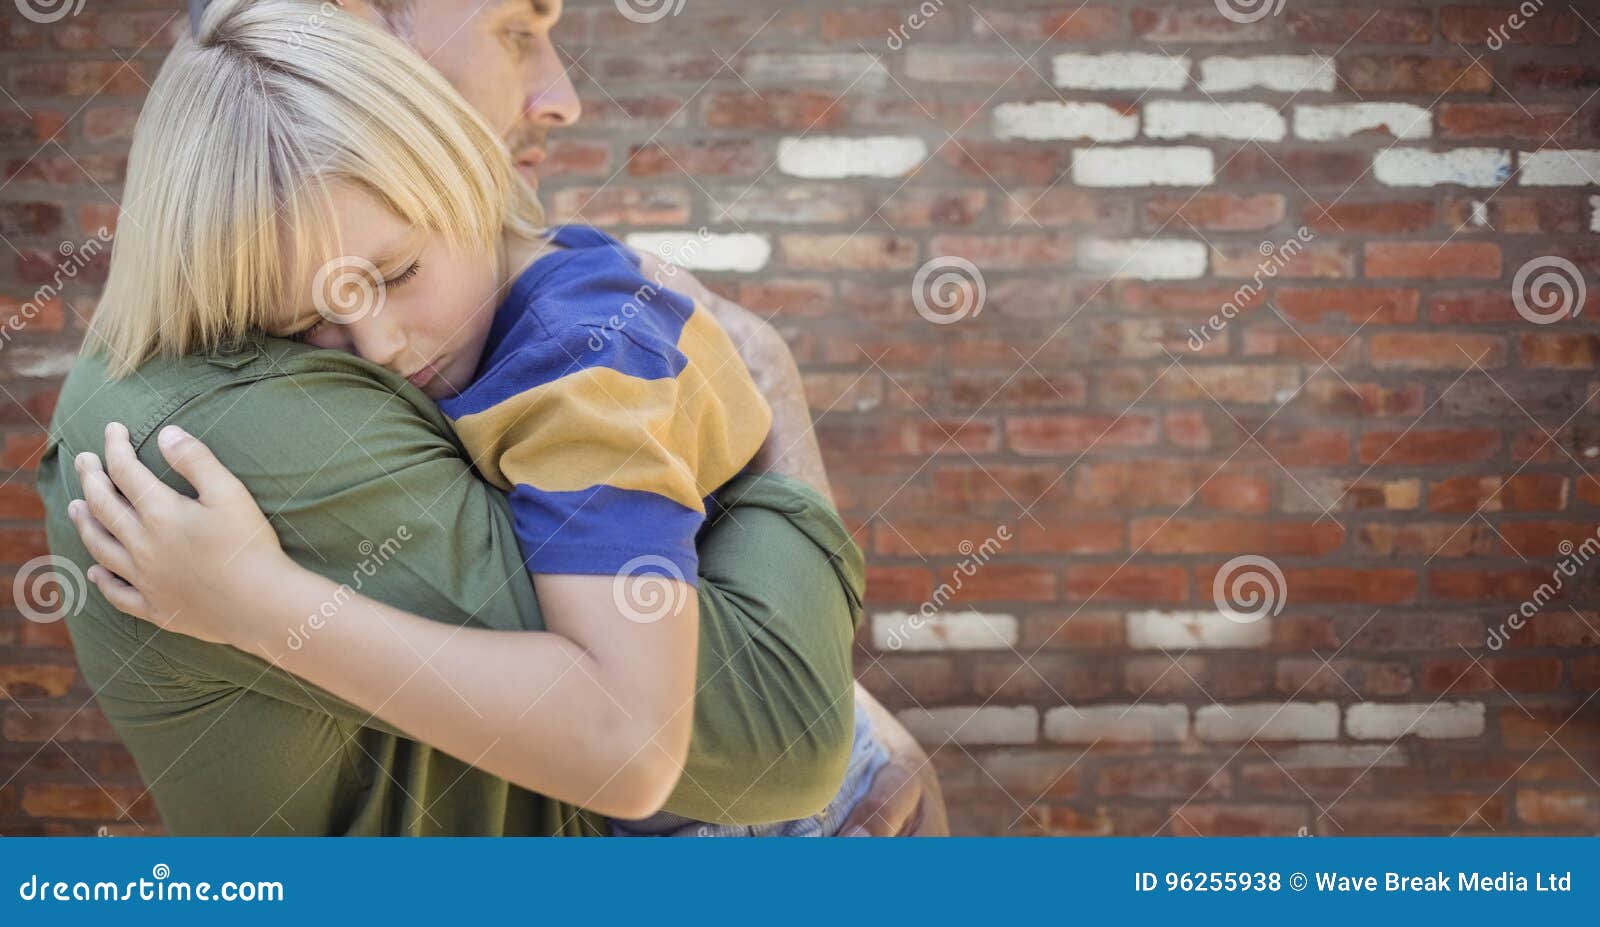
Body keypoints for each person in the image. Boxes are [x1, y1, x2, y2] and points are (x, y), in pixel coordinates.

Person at [36, 0, 946, 835]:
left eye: (396, 276)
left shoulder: (577, 368)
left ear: (469, 170)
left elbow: (629, 744)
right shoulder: (465, 287)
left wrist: (257, 603)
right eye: (307, 322)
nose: (379, 344)